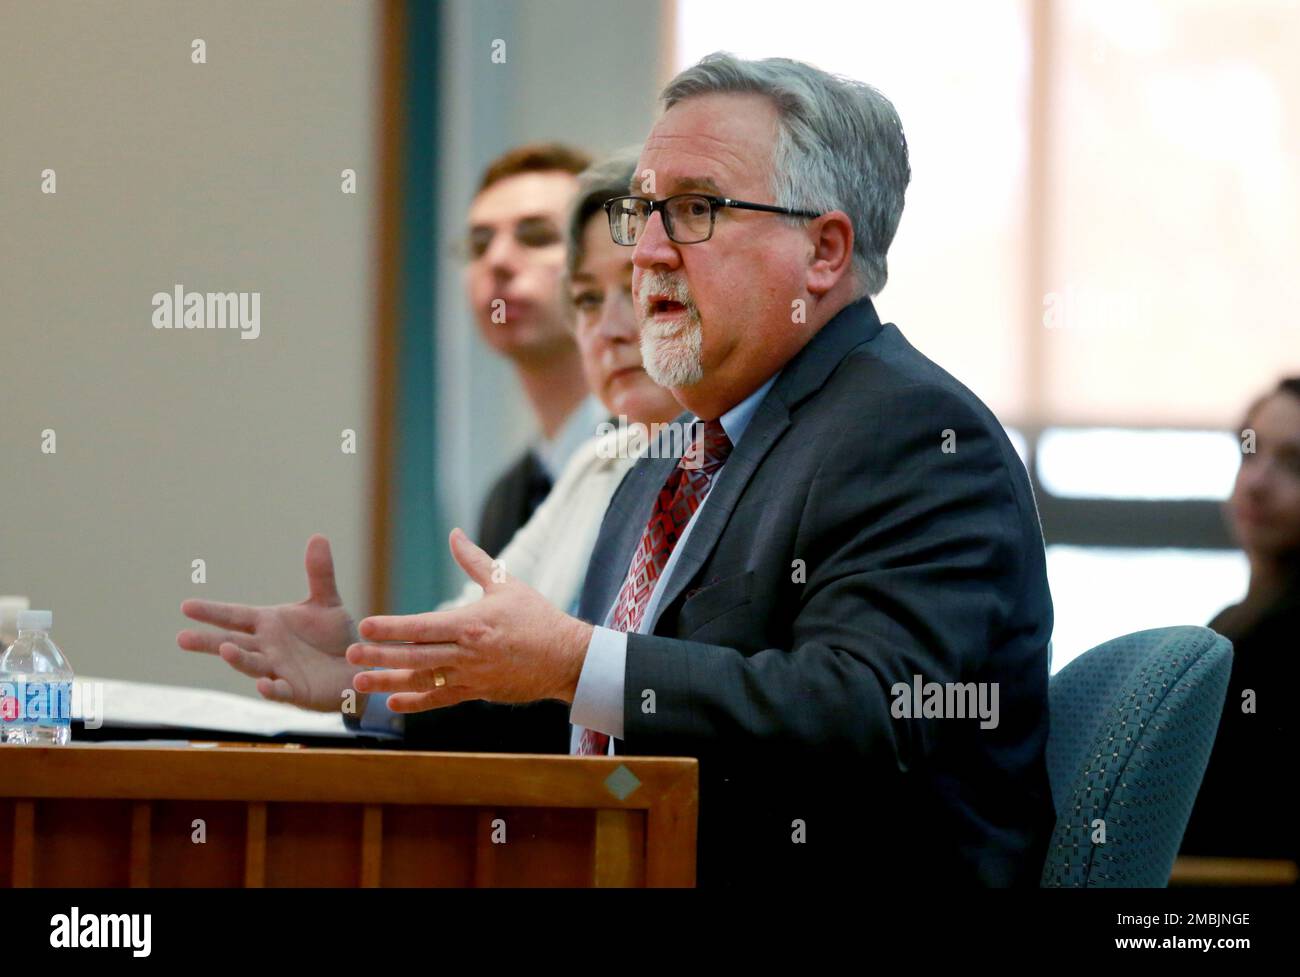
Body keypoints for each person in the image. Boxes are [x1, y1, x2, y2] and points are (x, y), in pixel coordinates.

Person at [348, 53, 1056, 888]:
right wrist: (367, 679)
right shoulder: (672, 456)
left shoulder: (913, 434)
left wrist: (577, 660)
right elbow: (596, 722)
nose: (646, 251)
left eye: (692, 210)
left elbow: (865, 711)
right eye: (642, 211)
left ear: (824, 251)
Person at [177, 151, 684, 753]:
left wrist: (364, 677)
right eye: (586, 300)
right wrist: (359, 669)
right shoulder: (587, 467)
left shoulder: (712, 458)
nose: (610, 328)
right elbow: (472, 641)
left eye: (632, 287)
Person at [459, 142, 606, 558]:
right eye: (479, 244)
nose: (498, 260)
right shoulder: (505, 500)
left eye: (538, 235)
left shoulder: (662, 452)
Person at [1180, 377, 1300, 863]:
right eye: (1250, 453)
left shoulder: (1276, 638)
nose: (1258, 481)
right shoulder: (1231, 623)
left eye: (1294, 464)